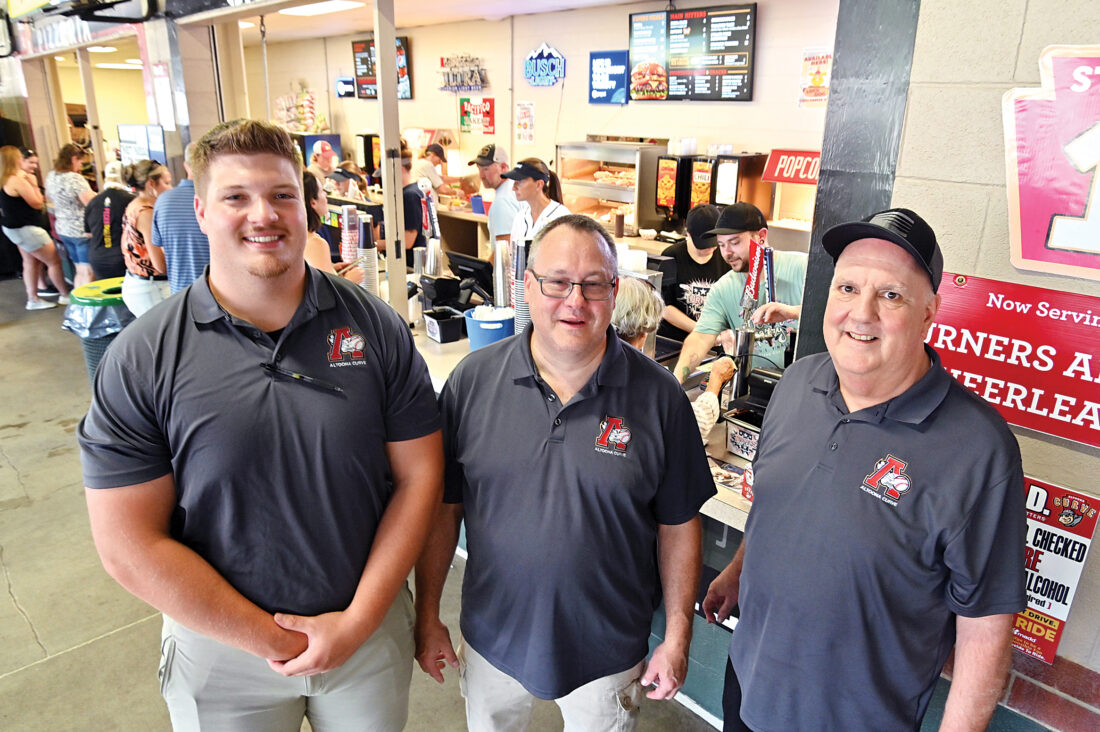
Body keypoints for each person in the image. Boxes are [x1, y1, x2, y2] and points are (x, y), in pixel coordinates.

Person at [79, 118, 444, 731]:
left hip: (366, 631)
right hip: (219, 648)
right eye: (236, 197)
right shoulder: (142, 357)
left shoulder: (375, 328)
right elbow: (127, 545)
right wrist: (275, 641)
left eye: (282, 196)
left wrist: (356, 623)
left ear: (308, 206)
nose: (264, 215)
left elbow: (420, 476)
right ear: (199, 211)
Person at [702, 208, 1025, 732]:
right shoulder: (797, 383)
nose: (862, 312)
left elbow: (986, 626)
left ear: (929, 313)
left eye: (891, 295)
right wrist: (739, 570)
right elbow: (777, 500)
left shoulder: (979, 450)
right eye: (847, 288)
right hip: (749, 684)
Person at [414, 214, 714, 732]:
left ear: (614, 291)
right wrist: (428, 614)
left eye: (593, 284)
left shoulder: (660, 397)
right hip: (492, 639)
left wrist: (677, 636)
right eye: (556, 282)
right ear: (527, 286)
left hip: (608, 648)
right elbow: (445, 508)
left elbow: (679, 524)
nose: (574, 301)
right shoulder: (473, 383)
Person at [673, 202, 807, 381]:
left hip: (803, 386)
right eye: (721, 245)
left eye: (734, 243)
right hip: (753, 390)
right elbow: (700, 339)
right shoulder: (723, 288)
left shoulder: (803, 269)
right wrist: (675, 382)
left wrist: (791, 312)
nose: (727, 253)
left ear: (761, 236)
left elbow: (834, 314)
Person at [612, 274, 737, 442]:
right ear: (643, 334)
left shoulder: (582, 365)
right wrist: (716, 381)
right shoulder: (646, 378)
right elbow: (695, 425)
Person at [0, 145, 70, 309]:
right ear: (15, 160)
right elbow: (38, 203)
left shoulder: (3, 179)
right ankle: (64, 295)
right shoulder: (16, 180)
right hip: (28, 229)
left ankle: (33, 298)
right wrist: (33, 184)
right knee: (53, 261)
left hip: (13, 228)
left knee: (30, 262)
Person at [658, 204, 730, 341]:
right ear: (688, 233)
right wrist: (701, 331)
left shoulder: (726, 258)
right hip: (675, 341)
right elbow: (664, 307)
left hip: (714, 341)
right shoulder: (671, 256)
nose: (710, 248)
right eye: (703, 244)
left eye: (714, 242)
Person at [151, 142, 210, 294]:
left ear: (186, 166)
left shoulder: (163, 201)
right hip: (219, 295)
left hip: (180, 293)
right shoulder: (220, 200)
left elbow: (161, 255)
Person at [120, 160, 172, 316]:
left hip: (137, 283)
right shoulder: (146, 213)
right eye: (167, 183)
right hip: (151, 289)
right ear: (151, 184)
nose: (171, 188)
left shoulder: (135, 204)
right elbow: (160, 265)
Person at [45, 143, 96, 288]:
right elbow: (90, 203)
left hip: (63, 229)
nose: (81, 165)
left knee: (79, 269)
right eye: (80, 161)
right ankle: (89, 307)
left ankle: (78, 304)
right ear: (74, 159)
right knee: (88, 271)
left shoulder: (52, 175)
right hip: (80, 230)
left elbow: (48, 197)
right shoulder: (75, 178)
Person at [84, 161, 135, 280]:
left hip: (98, 258)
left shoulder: (93, 202)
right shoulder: (131, 201)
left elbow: (88, 233)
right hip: (122, 257)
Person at [469, 143, 520, 252]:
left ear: (503, 167)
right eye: (479, 169)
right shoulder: (515, 189)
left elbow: (504, 250)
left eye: (486, 169)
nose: (481, 176)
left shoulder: (502, 201)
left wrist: (485, 268)